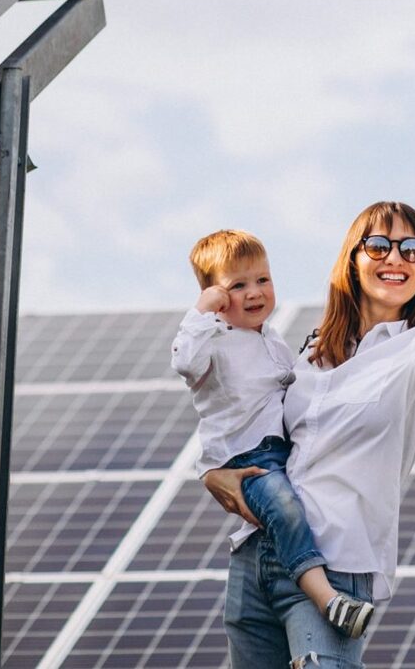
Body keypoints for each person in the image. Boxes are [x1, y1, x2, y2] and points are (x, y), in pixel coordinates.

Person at [202, 189, 415, 669]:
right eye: (379, 246)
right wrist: (214, 473)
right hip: (258, 556)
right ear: (353, 260)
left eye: (412, 249)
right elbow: (250, 424)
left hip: (337, 565)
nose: (396, 258)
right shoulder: (310, 353)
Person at [171, 229, 375, 639]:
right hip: (245, 459)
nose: (255, 292)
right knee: (285, 509)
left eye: (262, 280)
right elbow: (185, 364)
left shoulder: (272, 339)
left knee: (299, 506)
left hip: (279, 453)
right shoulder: (212, 341)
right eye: (238, 285)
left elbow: (294, 385)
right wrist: (201, 313)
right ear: (215, 295)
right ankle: (327, 599)